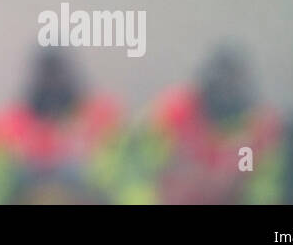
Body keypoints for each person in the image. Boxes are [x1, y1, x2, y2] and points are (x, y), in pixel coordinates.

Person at [120, 45, 284, 204]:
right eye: (220, 88)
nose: (225, 94)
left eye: (232, 89)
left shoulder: (260, 129)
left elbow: (262, 191)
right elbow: (135, 173)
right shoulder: (172, 115)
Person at [0, 49, 124, 204]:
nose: (53, 83)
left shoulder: (99, 116)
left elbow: (112, 181)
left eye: (58, 75)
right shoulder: (9, 125)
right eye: (47, 76)